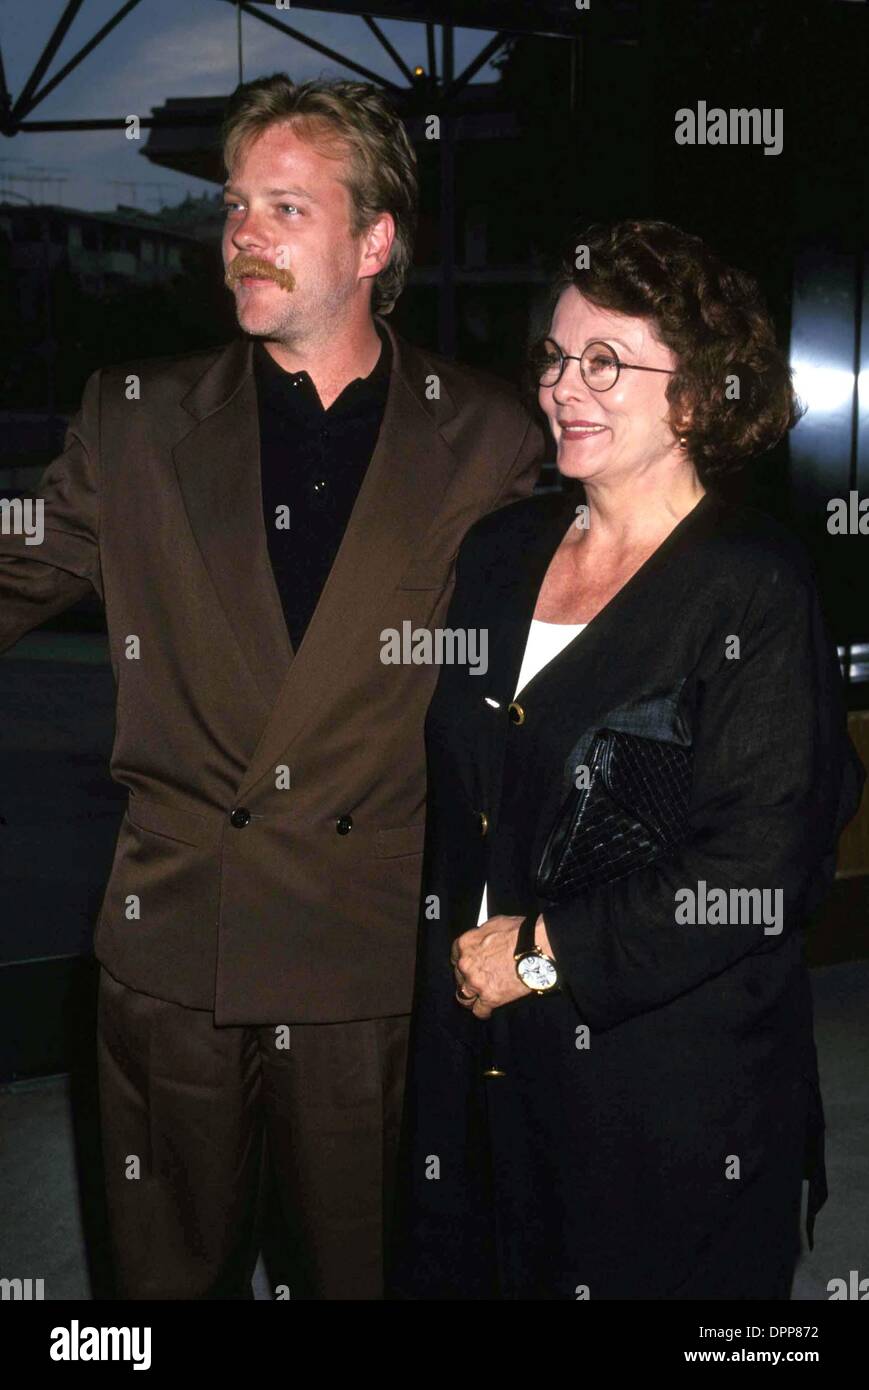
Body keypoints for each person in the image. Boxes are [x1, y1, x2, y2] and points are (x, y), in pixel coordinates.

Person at [0, 75, 545, 1299]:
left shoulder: (490, 438)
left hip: (367, 970)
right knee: (159, 1282)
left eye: (284, 208)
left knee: (358, 1276)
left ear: (372, 241)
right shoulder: (134, 422)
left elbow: (553, 677)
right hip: (172, 950)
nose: (241, 231)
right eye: (236, 205)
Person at [391, 219, 866, 1300]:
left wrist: (546, 949)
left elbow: (757, 877)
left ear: (695, 399)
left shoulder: (750, 589)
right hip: (485, 1068)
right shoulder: (500, 553)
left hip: (665, 1097)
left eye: (606, 362)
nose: (565, 386)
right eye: (556, 357)